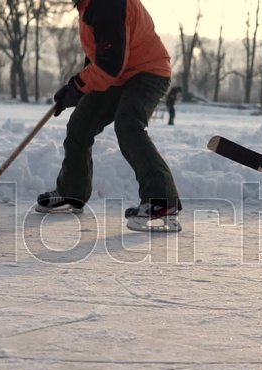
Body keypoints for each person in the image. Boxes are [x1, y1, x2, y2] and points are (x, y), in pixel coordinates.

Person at [36, 0, 182, 233]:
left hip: (148, 71)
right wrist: (76, 88)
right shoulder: (86, 4)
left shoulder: (107, 3)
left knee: (128, 125)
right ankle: (72, 192)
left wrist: (77, 87)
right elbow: (101, 55)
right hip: (117, 75)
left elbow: (110, 64)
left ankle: (161, 202)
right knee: (80, 125)